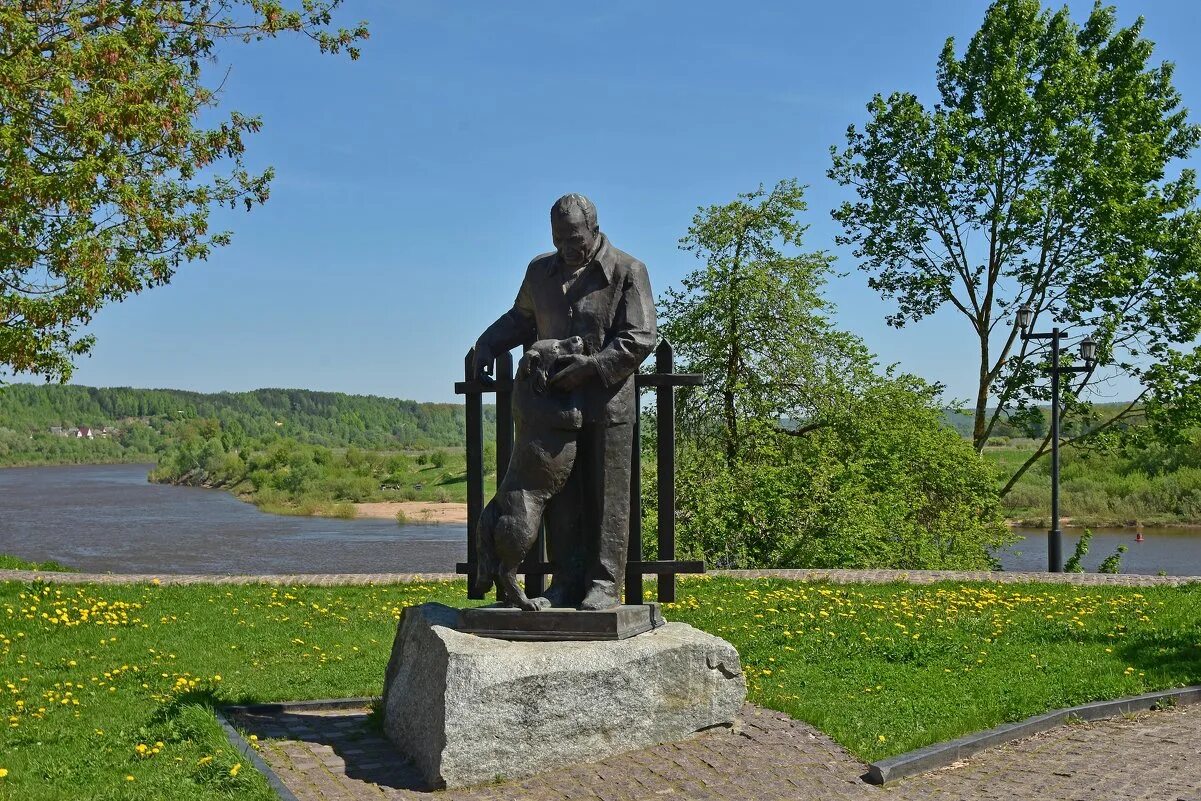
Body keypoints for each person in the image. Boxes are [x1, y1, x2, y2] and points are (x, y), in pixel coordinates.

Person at [473, 194, 657, 610]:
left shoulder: (628, 271)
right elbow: (521, 319)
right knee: (561, 499)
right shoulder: (540, 272)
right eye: (559, 240)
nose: (567, 248)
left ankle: (605, 584)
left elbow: (640, 336)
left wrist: (592, 367)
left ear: (594, 230)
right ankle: (566, 582)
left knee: (609, 497)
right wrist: (487, 343)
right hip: (555, 412)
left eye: (574, 239)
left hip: (608, 406)